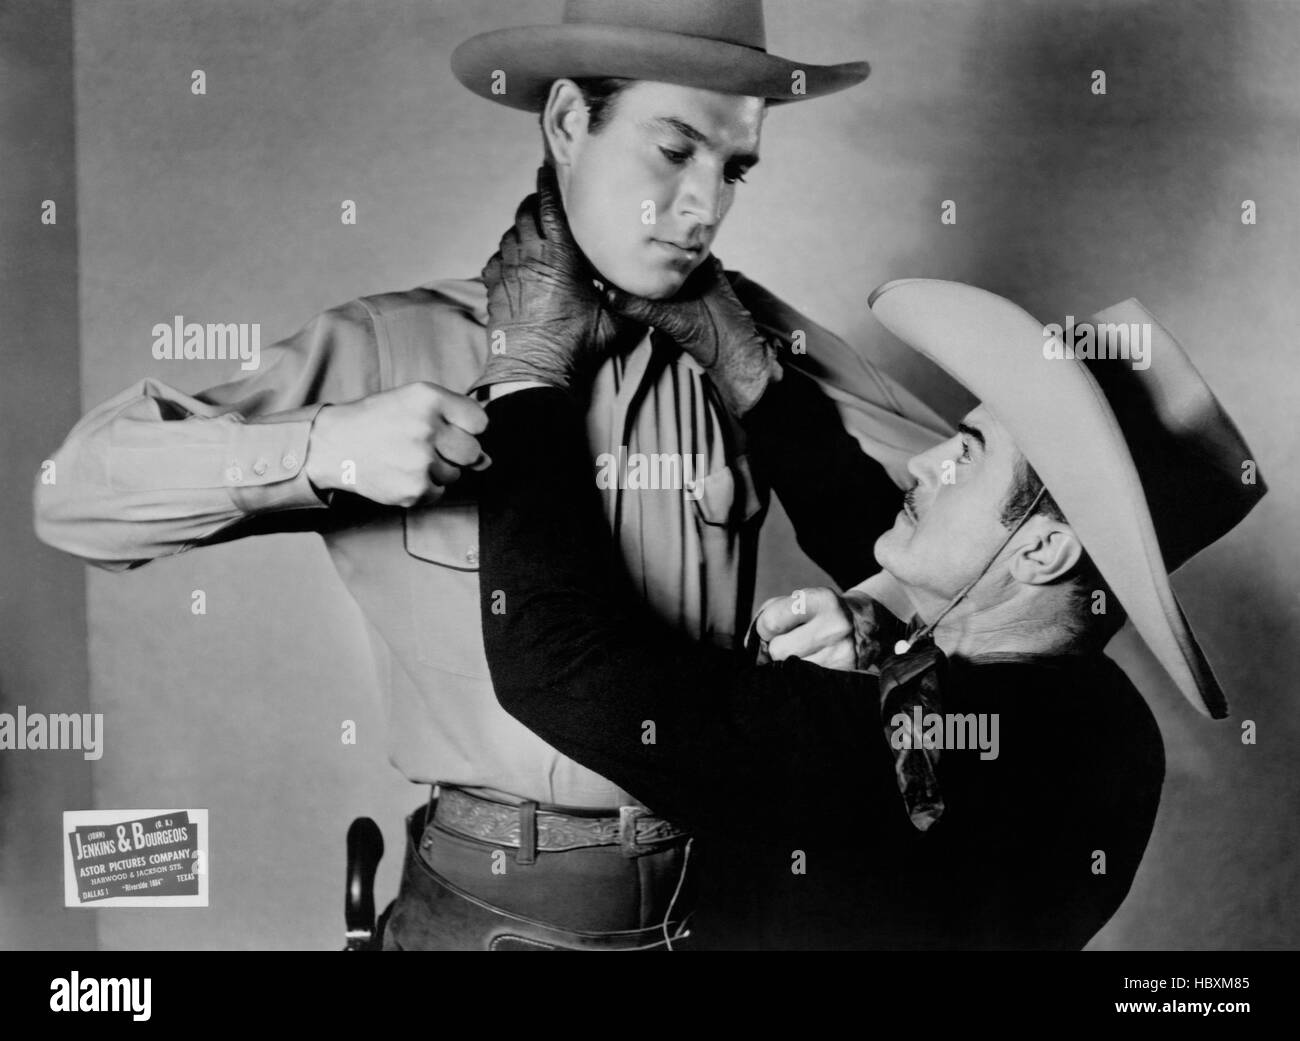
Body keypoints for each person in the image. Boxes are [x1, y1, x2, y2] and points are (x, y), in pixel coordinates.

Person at [33, 0, 948, 950]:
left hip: (719, 909)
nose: (704, 209)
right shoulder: (396, 344)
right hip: (489, 922)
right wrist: (325, 446)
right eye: (675, 152)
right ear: (565, 123)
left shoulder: (738, 342)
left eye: (735, 169)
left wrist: (776, 405)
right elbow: (78, 499)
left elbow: (997, 534)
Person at [473, 197, 1267, 949]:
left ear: (1043, 551)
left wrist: (527, 378)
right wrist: (752, 375)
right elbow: (915, 555)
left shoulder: (891, 743)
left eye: (969, 453)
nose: (925, 461)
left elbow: (555, 663)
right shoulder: (1109, 727)